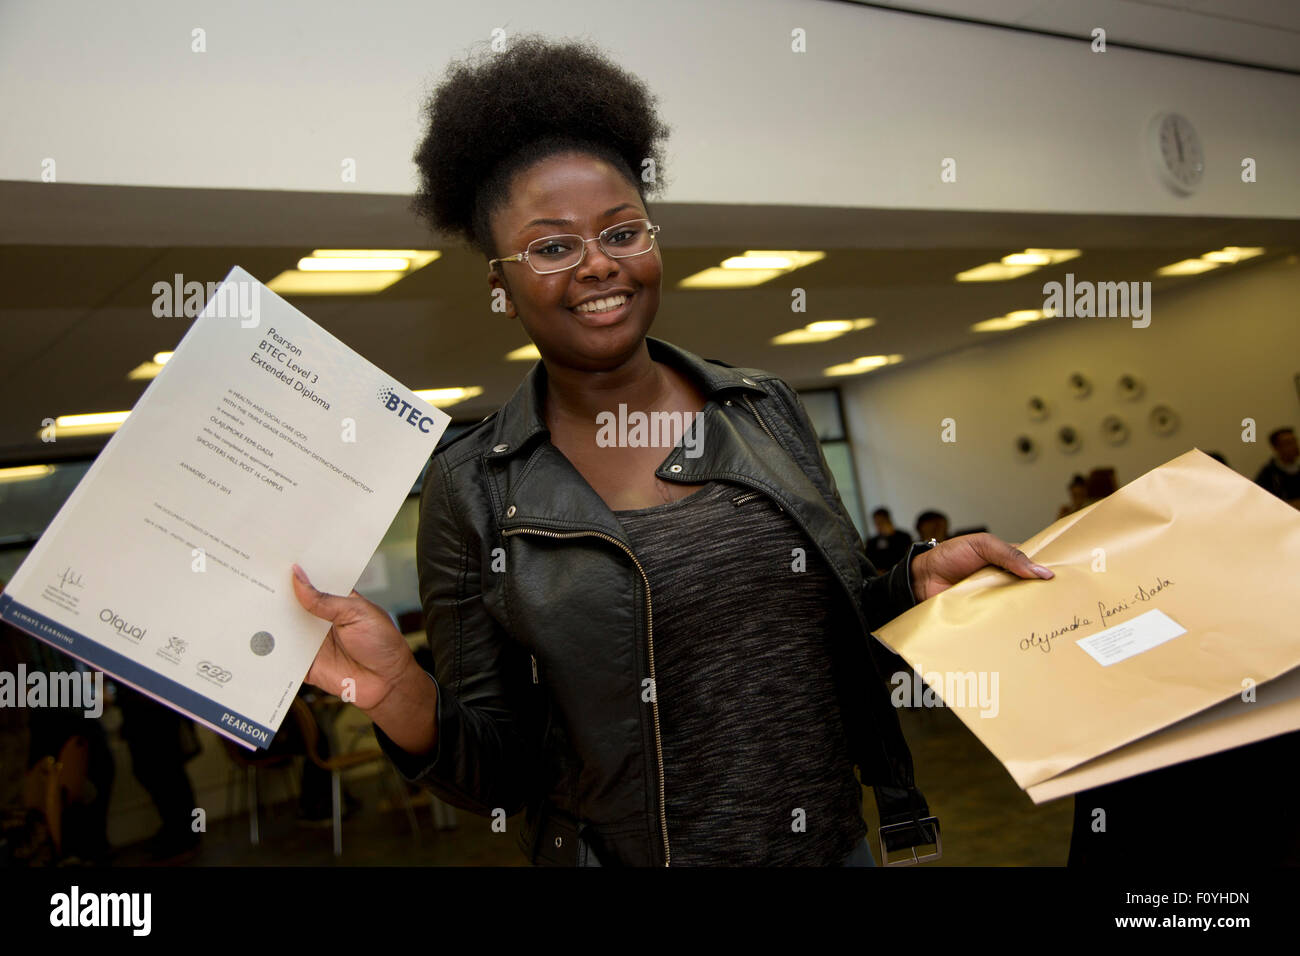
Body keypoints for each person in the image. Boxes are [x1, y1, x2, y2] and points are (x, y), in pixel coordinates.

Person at [289, 36, 1054, 867]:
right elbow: (499, 774)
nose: (597, 266)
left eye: (622, 231)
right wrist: (398, 688)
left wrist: (910, 586)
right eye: (551, 247)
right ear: (501, 288)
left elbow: (822, 642)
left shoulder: (763, 408)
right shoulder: (471, 490)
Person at [1254, 427, 1300, 508]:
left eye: (1294, 441)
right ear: (1276, 448)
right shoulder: (1268, 475)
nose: (1294, 446)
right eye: (1288, 443)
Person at [866, 508, 912, 575]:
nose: (879, 526)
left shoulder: (903, 537)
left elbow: (904, 555)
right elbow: (869, 560)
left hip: (900, 573)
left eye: (881, 522)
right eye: (876, 523)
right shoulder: (872, 542)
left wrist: (889, 535)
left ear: (888, 520)